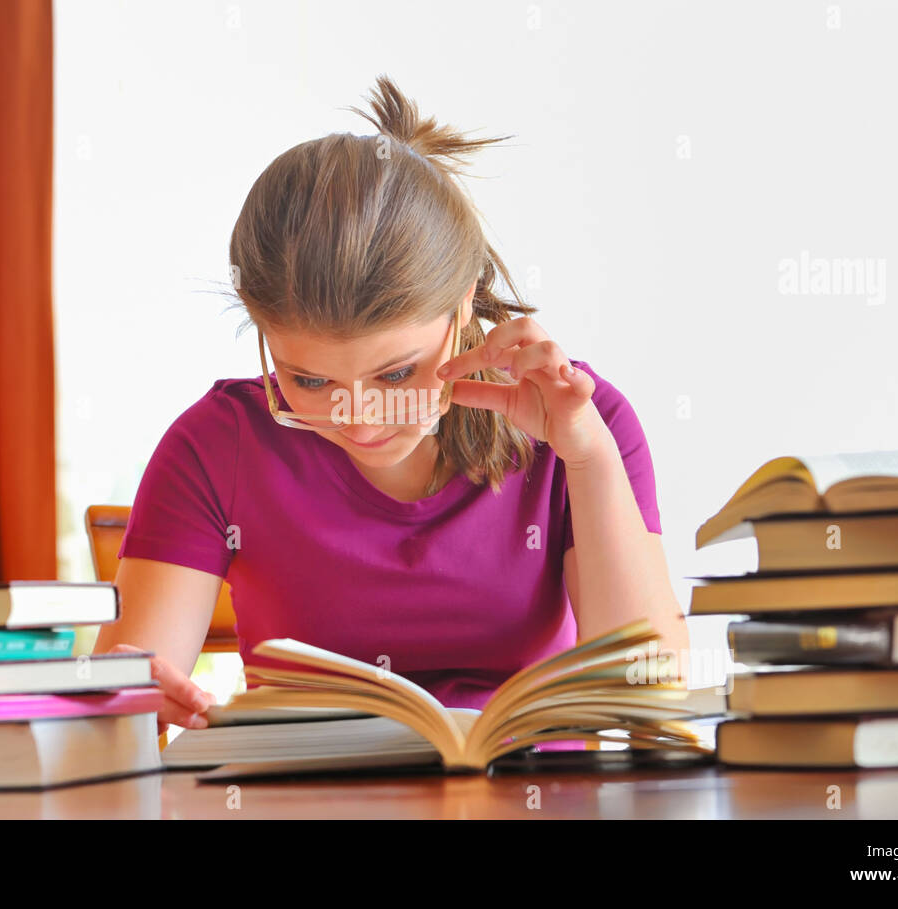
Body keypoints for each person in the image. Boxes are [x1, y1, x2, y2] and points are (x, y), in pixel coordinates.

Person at [94, 75, 690, 745]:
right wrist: (121, 695)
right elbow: (126, 709)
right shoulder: (215, 447)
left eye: (396, 372)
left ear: (464, 302)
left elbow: (649, 691)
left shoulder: (583, 422)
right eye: (308, 379)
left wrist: (587, 457)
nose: (359, 418)